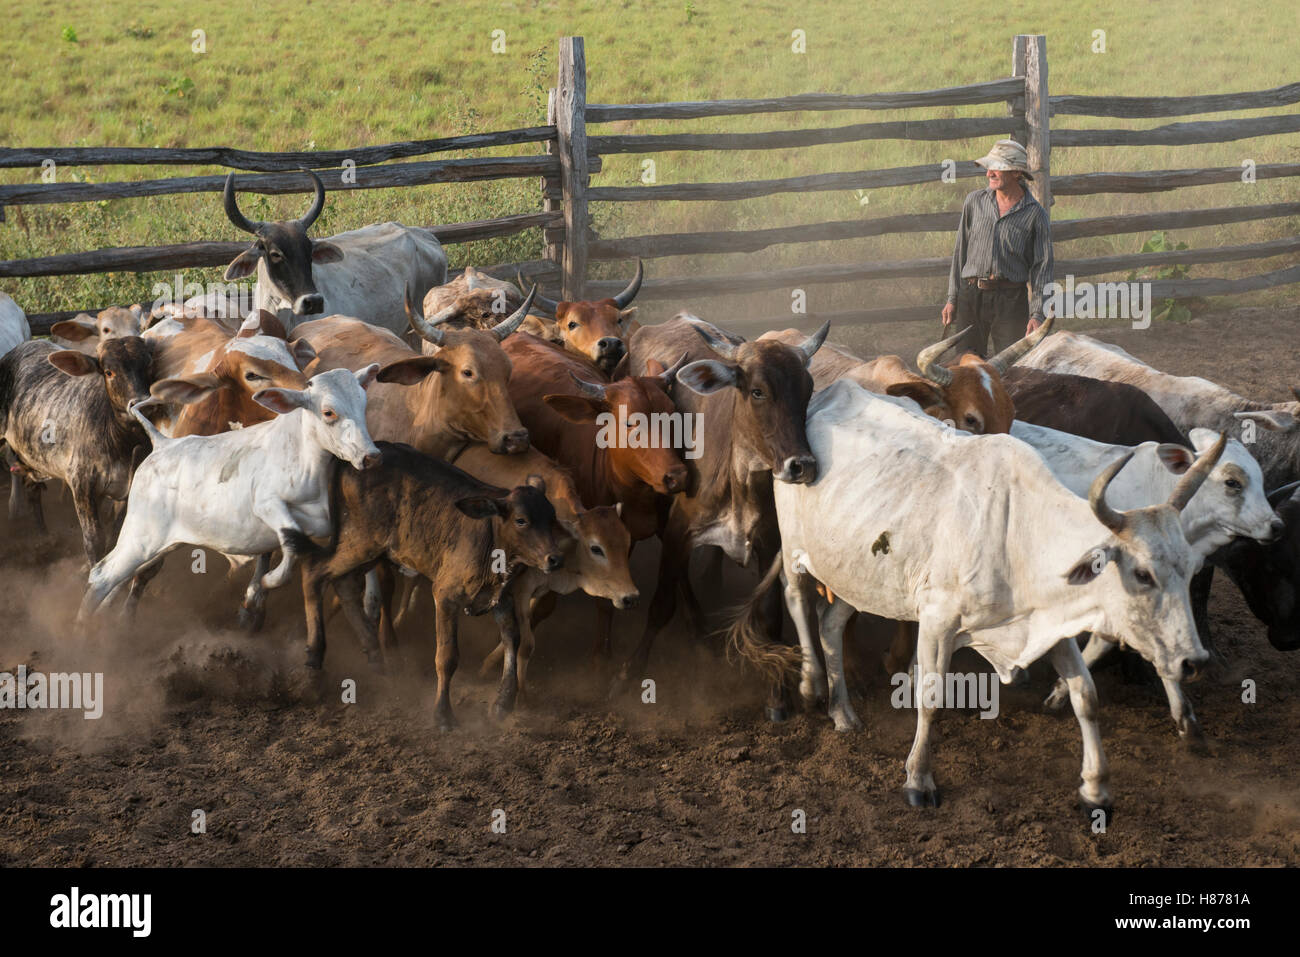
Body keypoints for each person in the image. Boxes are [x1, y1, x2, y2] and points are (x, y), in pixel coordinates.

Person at [942, 139, 1053, 356]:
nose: (989, 173)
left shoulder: (1035, 214)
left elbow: (1042, 268)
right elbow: (960, 252)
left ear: (1016, 173)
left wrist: (1037, 314)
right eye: (988, 168)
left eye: (997, 168)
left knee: (1012, 365)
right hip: (971, 295)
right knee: (967, 364)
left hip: (1011, 300)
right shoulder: (974, 202)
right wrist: (952, 298)